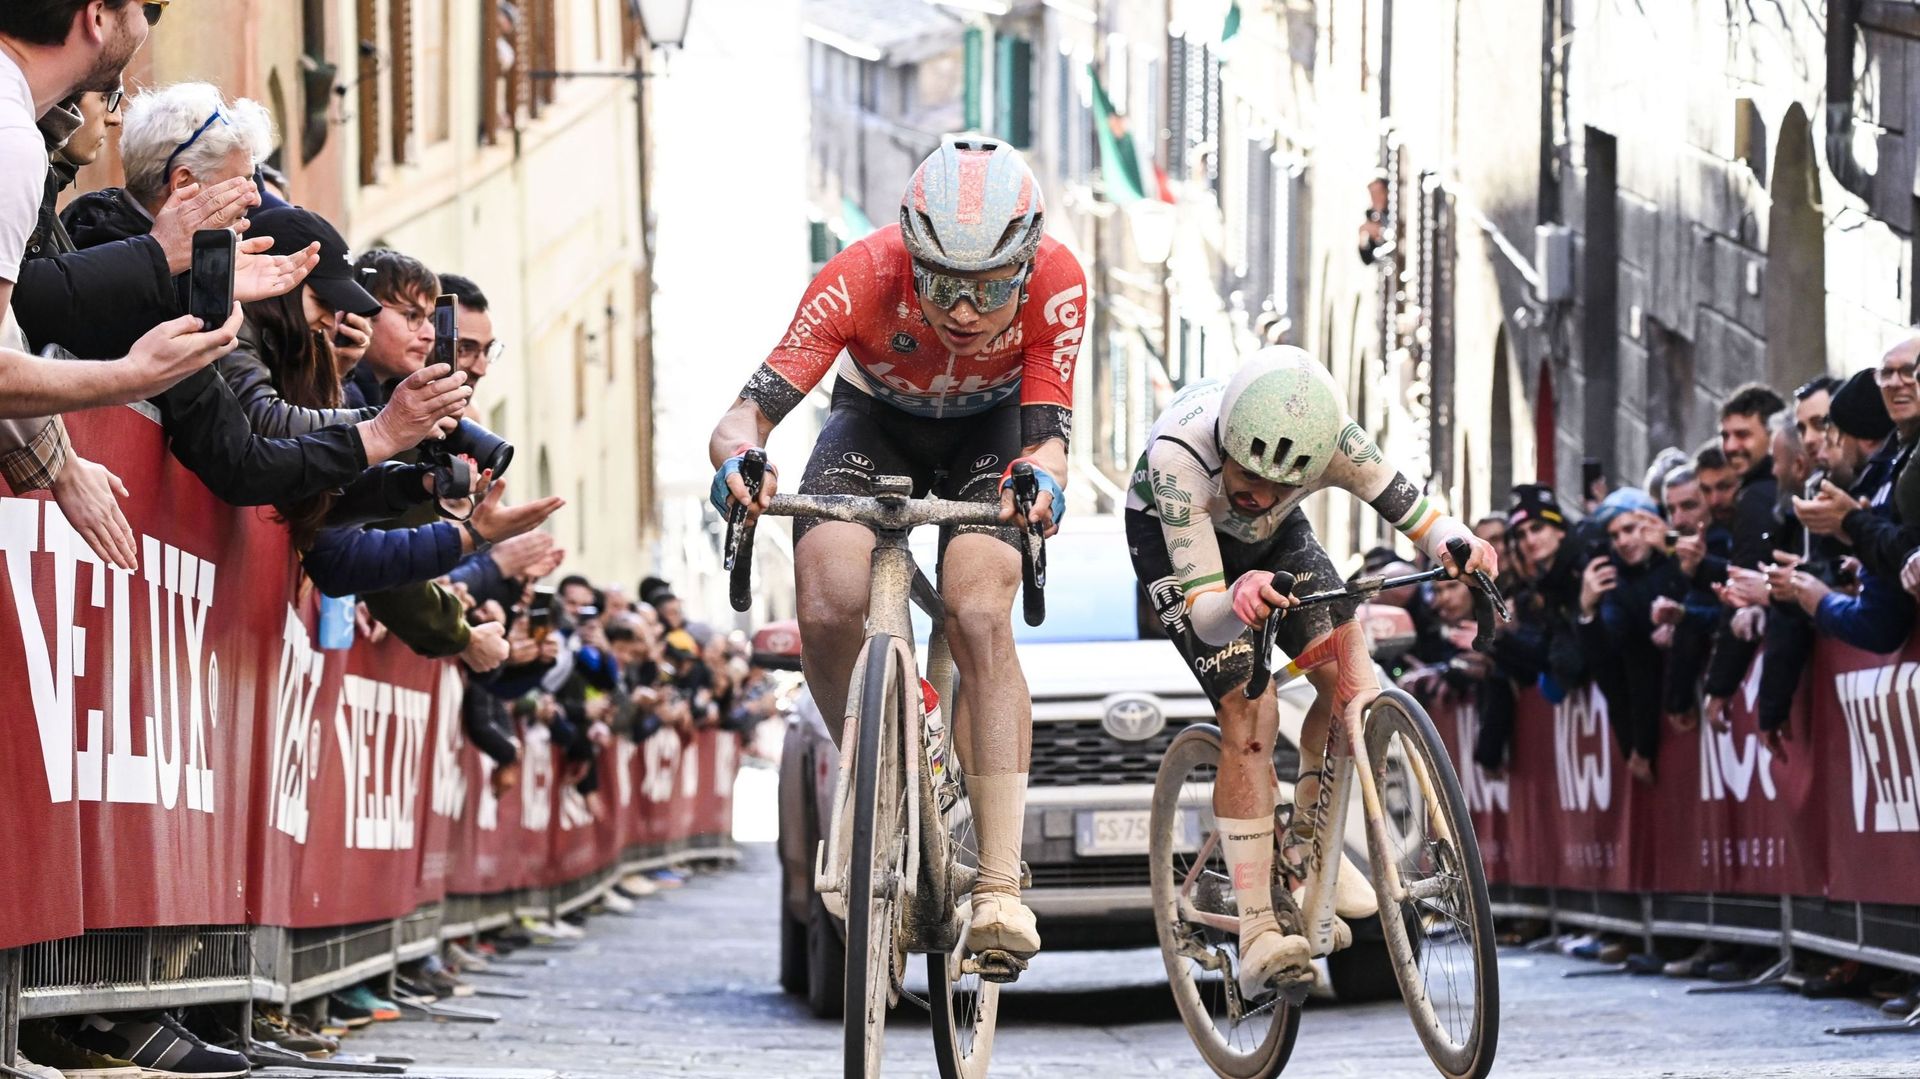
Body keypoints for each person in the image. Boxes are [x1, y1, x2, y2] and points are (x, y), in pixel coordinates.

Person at [708, 138, 1085, 964]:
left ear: (1024, 266)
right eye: (942, 282)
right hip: (876, 424)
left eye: (987, 289)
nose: (962, 309)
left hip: (993, 435)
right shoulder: (859, 274)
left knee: (980, 607)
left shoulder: (1059, 281)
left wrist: (1044, 482)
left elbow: (1048, 438)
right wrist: (740, 460)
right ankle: (874, 778)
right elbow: (744, 418)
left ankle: (997, 887)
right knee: (827, 598)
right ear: (909, 254)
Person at [1124, 346, 1498, 996]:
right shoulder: (1178, 457)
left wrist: (1457, 544)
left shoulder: (1337, 442)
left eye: (1280, 483)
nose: (1261, 493)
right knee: (1251, 708)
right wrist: (1234, 598)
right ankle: (1258, 926)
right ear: (1229, 442)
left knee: (1354, 678)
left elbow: (1421, 516)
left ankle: (1307, 842)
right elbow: (1210, 617)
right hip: (1175, 541)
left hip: (1277, 539)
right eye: (1250, 478)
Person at [0, 0, 247, 571]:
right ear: (97, 17)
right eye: (151, 8)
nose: (150, 26)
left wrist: (59, 463)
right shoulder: (12, 142)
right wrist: (132, 374)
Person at [1576, 488, 1675, 783]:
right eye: (1615, 535)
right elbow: (1608, 657)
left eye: (1630, 529)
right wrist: (1587, 609)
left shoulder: (1680, 556)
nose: (1623, 541)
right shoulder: (1616, 583)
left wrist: (1672, 549)